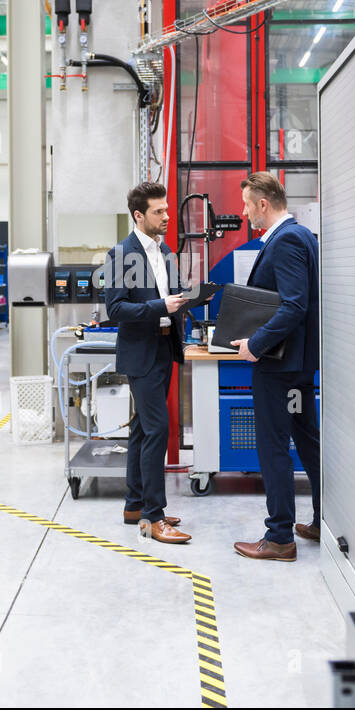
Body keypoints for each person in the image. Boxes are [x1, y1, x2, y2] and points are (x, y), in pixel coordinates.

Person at [229, 172, 322, 561]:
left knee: (273, 447)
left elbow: (294, 305)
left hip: (279, 366)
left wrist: (255, 344)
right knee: (308, 442)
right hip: (298, 365)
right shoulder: (302, 237)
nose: (245, 212)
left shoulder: (284, 242)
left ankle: (280, 536)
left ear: (263, 204)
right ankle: (322, 518)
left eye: (248, 204)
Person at [103, 182, 194, 544]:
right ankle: (154, 518)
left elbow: (169, 295)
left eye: (167, 209)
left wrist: (192, 297)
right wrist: (161, 307)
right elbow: (115, 310)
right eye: (159, 211)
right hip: (140, 354)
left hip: (162, 349)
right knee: (158, 429)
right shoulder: (120, 255)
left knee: (142, 428)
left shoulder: (165, 250)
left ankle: (134, 505)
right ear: (139, 216)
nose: (167, 216)